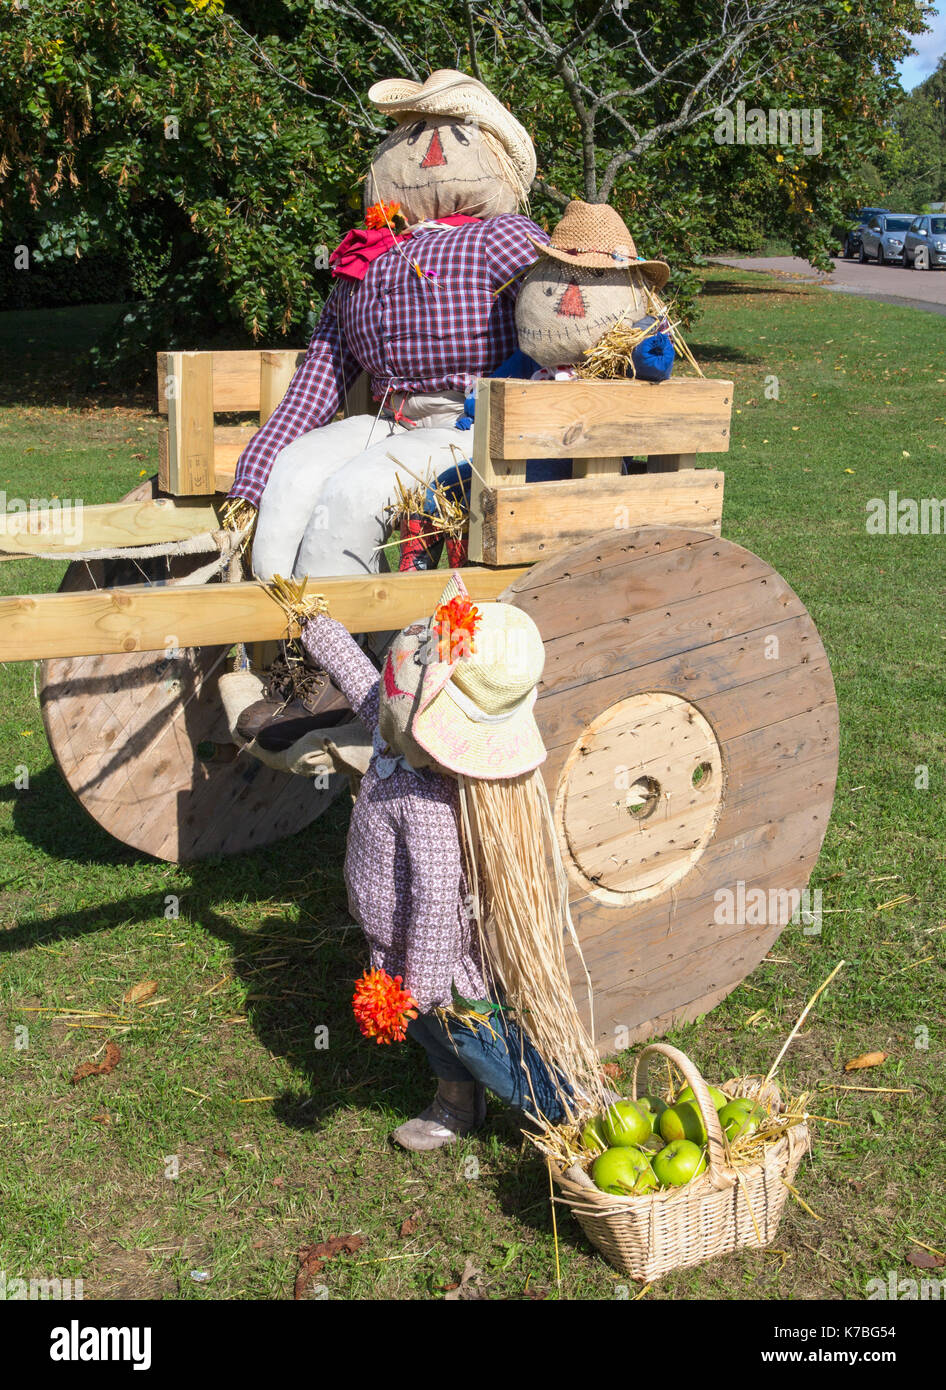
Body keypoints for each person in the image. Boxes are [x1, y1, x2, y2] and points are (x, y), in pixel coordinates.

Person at [292, 574, 604, 1151]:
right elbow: (363, 680)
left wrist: (424, 986)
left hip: (439, 969)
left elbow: (438, 903)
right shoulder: (393, 733)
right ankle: (457, 1104)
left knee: (482, 1046)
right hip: (394, 945)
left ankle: (572, 1119)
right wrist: (317, 627)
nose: (388, 697)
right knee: (435, 1040)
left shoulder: (431, 806)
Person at [228, 70, 547, 586]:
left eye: (447, 133)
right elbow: (322, 371)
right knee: (291, 478)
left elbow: (556, 318)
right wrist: (254, 474)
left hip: (471, 426)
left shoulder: (501, 237)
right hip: (386, 419)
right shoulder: (367, 259)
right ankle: (288, 630)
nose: (427, 151)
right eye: (410, 132)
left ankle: (352, 648)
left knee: (354, 495)